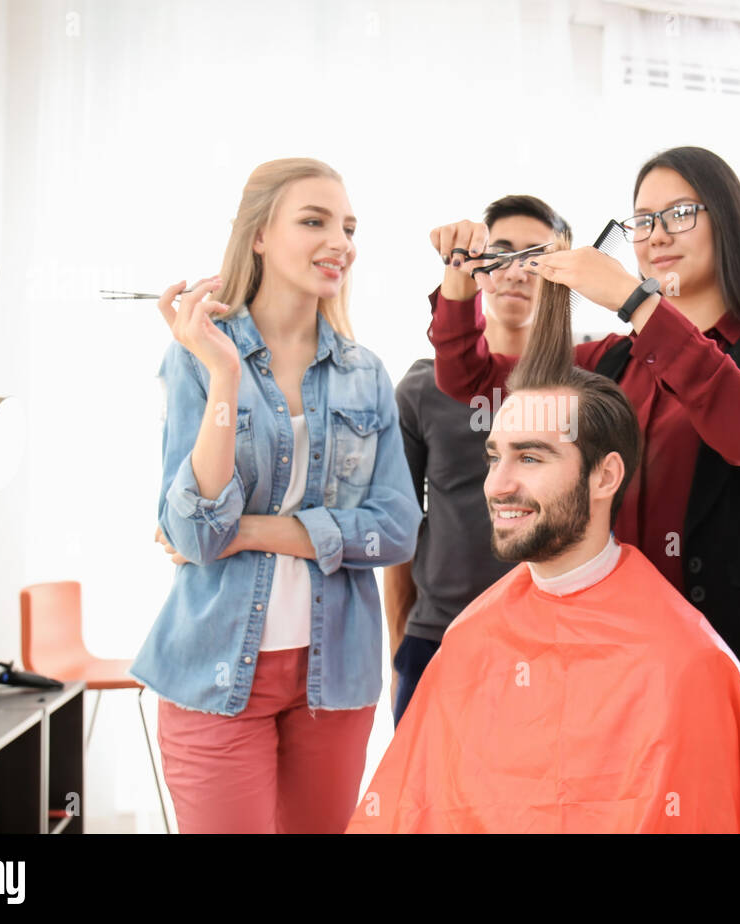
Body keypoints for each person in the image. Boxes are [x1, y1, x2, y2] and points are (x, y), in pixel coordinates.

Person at [428, 147, 740, 828]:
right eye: (642, 219)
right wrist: (459, 286)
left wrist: (637, 303)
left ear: (727, 223)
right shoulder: (607, 360)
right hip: (623, 664)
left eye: (680, 212)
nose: (658, 232)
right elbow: (477, 383)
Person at [348, 284, 740, 833]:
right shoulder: (466, 644)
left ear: (604, 476)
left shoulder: (688, 666)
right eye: (496, 456)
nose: (498, 485)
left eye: (531, 456)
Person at [134, 157, 421, 834]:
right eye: (314, 221)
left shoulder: (365, 374)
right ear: (259, 234)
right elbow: (196, 533)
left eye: (348, 226)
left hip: (334, 680)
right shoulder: (198, 358)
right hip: (213, 672)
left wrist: (255, 530)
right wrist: (226, 375)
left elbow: (395, 531)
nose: (340, 242)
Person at [386, 195, 571, 725]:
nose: (516, 271)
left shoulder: (587, 388)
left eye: (535, 258)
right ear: (479, 269)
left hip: (553, 641)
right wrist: (398, 646)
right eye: (501, 253)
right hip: (437, 639)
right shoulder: (422, 387)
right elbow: (400, 529)